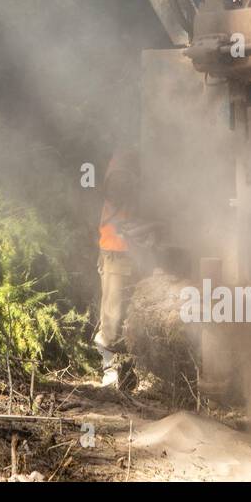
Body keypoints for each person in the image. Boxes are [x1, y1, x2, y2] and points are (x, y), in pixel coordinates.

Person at [93, 149, 150, 389]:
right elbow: (119, 205)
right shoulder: (121, 172)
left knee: (131, 313)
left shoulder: (126, 169)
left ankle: (128, 372)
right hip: (116, 254)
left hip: (126, 254)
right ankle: (110, 369)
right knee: (113, 315)